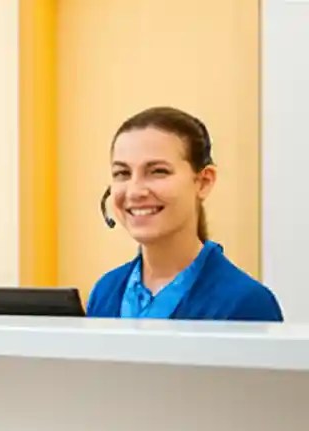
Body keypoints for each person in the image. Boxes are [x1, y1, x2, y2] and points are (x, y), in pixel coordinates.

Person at [87, 106, 283, 321]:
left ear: (203, 182)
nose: (135, 191)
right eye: (122, 173)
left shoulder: (246, 303)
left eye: (158, 171)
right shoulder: (105, 293)